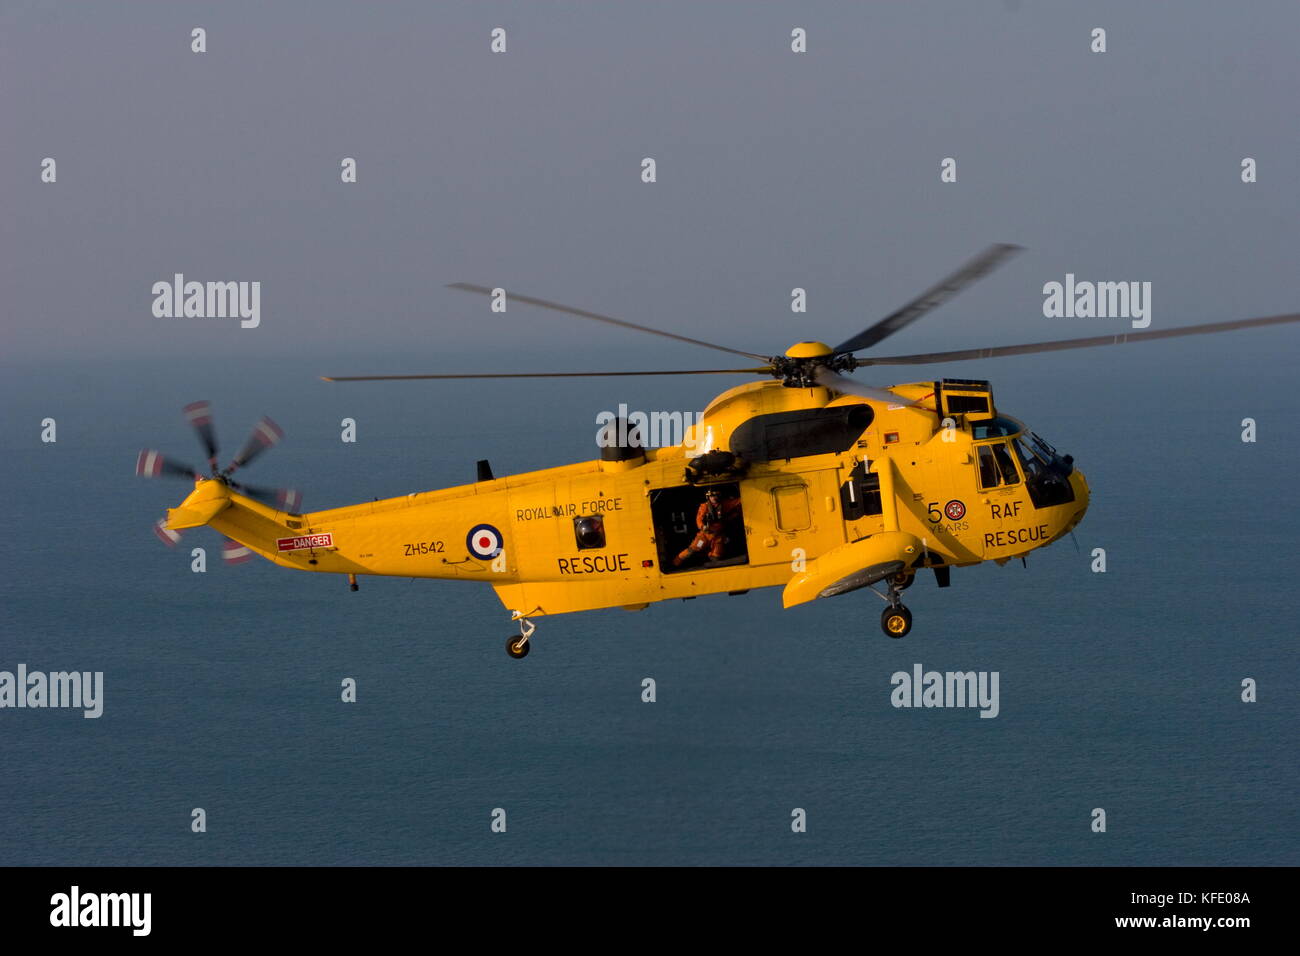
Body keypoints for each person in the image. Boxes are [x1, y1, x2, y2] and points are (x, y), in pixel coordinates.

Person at [674, 488, 741, 567]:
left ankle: (714, 569)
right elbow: (699, 519)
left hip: (717, 537)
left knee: (717, 556)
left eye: (716, 495)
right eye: (712, 496)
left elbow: (737, 502)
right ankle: (676, 562)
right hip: (704, 537)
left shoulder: (724, 504)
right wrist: (703, 526)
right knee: (694, 549)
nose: (714, 497)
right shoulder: (704, 507)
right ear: (708, 497)